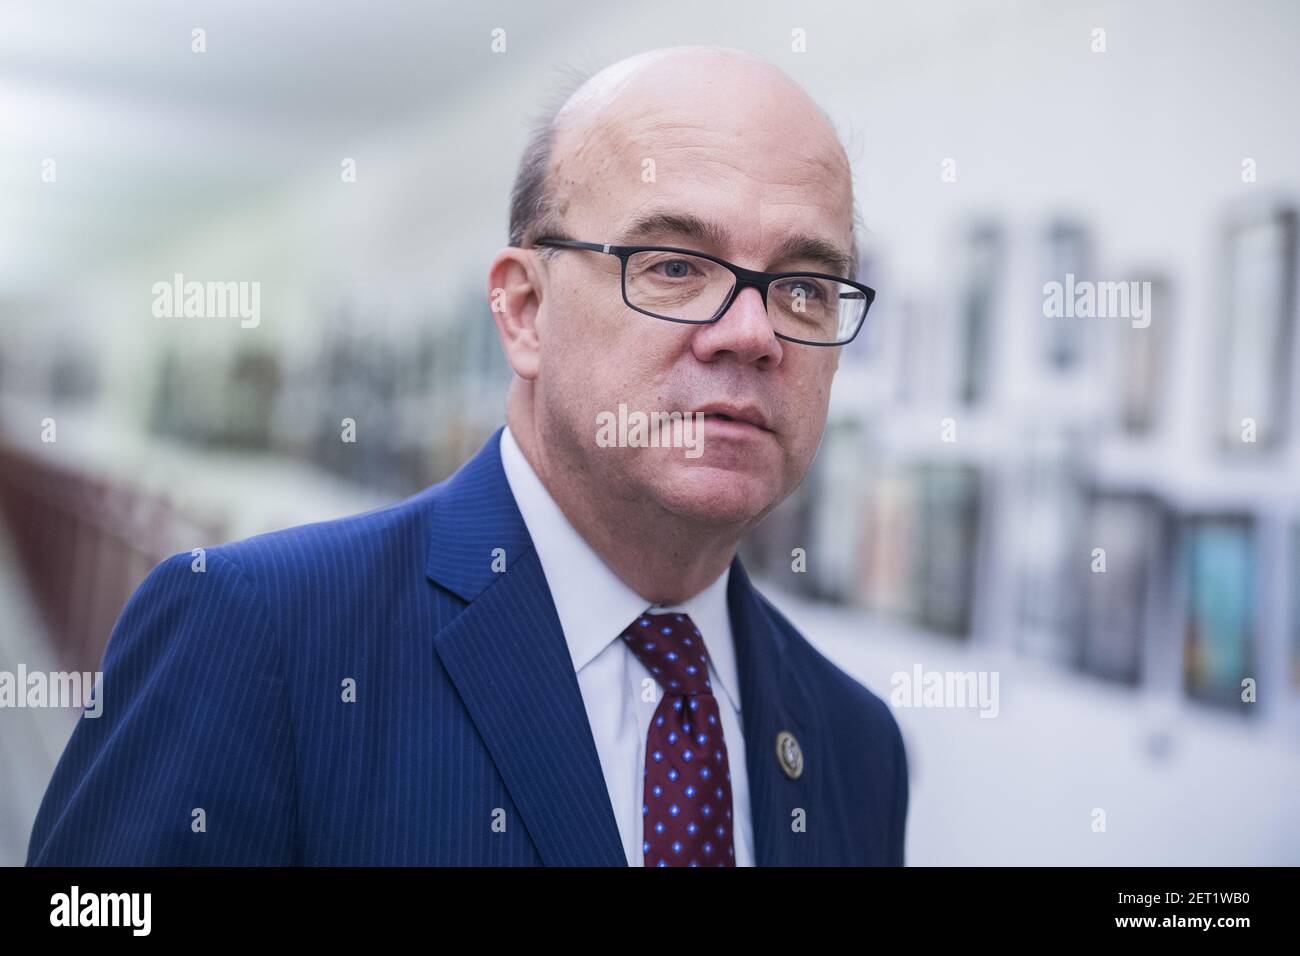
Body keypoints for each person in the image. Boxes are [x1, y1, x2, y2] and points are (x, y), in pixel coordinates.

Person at [28, 45, 907, 867]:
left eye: (804, 287)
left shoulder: (854, 743)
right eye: (675, 265)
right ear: (524, 311)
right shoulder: (258, 635)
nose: (751, 334)